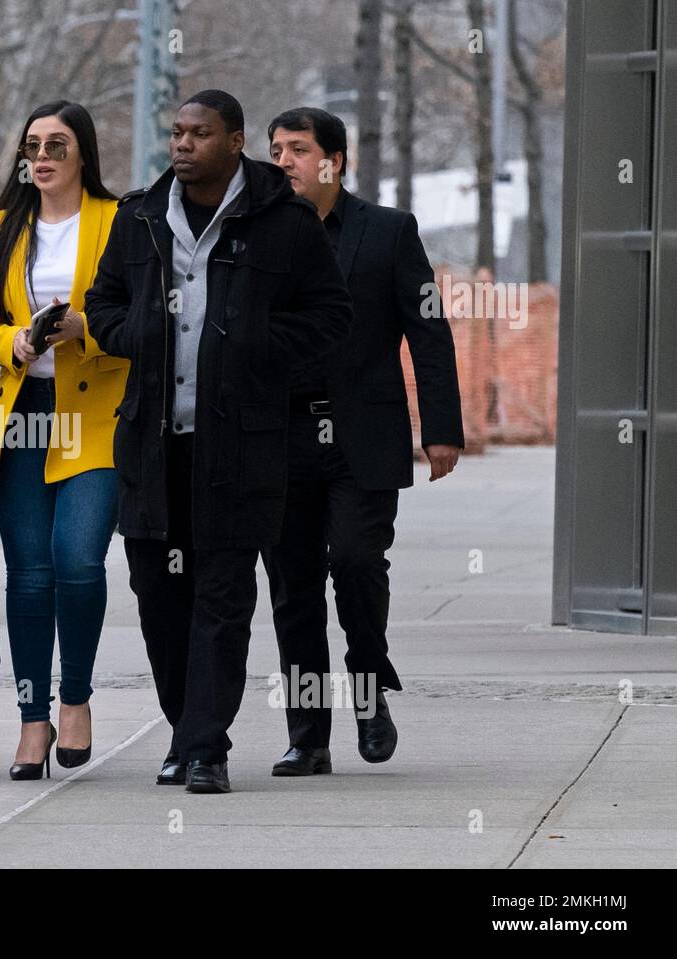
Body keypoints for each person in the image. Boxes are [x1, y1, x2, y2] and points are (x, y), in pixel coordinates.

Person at [85, 90, 353, 794]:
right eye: (175, 132)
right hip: (152, 443)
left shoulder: (285, 221)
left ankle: (206, 746)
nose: (181, 144)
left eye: (198, 134)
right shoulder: (140, 216)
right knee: (158, 594)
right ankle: (185, 729)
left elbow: (331, 314)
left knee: (223, 596)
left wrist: (261, 344)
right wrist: (137, 333)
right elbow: (102, 303)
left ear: (234, 142)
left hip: (239, 447)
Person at [264, 107, 463, 776]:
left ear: (335, 161)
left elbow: (427, 333)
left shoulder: (388, 232)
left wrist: (441, 430)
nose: (284, 160)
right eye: (276, 149)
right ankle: (308, 735)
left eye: (297, 148)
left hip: (363, 437)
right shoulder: (258, 235)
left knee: (354, 561)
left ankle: (369, 687)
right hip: (282, 437)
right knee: (292, 589)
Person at [0, 100, 125, 780]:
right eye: (33, 145)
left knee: (78, 562)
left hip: (94, 413)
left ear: (82, 154)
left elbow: (137, 313)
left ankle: (76, 699)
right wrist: (18, 340)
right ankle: (33, 721)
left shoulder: (118, 221)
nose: (43, 156)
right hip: (25, 410)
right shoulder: (2, 226)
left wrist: (80, 328)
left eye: (57, 146)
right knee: (29, 575)